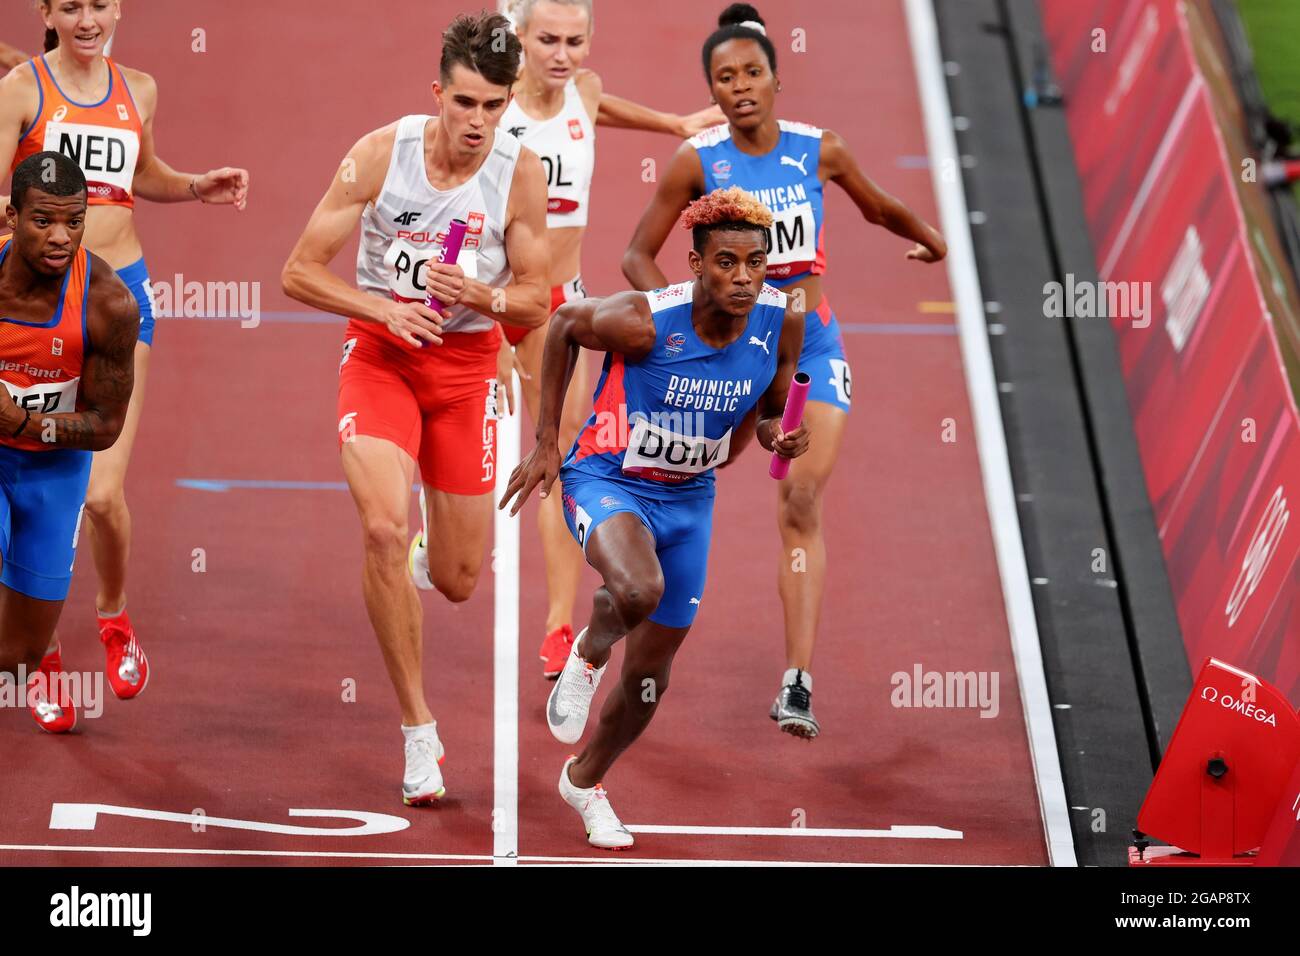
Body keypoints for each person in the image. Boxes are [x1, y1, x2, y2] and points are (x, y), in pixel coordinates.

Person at [622, 3, 947, 738]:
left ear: (777, 79)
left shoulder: (817, 150)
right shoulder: (697, 160)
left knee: (799, 501)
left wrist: (932, 240)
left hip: (810, 356)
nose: (739, 88)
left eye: (752, 74)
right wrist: (677, 320)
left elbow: (877, 206)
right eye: (723, 78)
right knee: (668, 480)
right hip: (728, 355)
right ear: (712, 88)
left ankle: (797, 683)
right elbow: (637, 253)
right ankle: (612, 630)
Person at [282, 11, 550, 806]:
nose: (477, 123)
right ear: (437, 92)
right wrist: (378, 310)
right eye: (464, 103)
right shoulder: (379, 156)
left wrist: (486, 295)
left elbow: (536, 302)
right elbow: (298, 272)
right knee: (381, 528)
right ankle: (418, 732)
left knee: (460, 579)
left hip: (465, 369)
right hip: (382, 360)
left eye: (494, 106)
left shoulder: (518, 172)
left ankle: (432, 553)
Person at [501, 187, 808, 849]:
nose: (743, 277)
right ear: (696, 265)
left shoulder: (781, 320)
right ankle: (586, 654)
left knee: (649, 679)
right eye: (726, 263)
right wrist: (548, 441)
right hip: (607, 477)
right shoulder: (643, 322)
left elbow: (771, 409)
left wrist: (778, 436)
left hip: (690, 498)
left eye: (755, 263)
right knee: (639, 589)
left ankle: (583, 782)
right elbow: (560, 326)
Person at [432, 0, 722, 681]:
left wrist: (675, 124)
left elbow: (599, 105)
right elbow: (458, 209)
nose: (562, 55)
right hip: (486, 300)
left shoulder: (583, 93)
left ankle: (558, 624)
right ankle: (436, 537)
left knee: (561, 455)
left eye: (574, 41)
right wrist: (476, 319)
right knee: (463, 451)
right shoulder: (494, 112)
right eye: (548, 41)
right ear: (520, 39)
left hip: (560, 305)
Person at [0, 0, 249, 732]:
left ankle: (113, 616)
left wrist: (192, 185)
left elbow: (141, 176)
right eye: (70, 5)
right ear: (46, 11)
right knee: (37, 484)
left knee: (101, 493)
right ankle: (39, 655)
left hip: (118, 297)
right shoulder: (21, 91)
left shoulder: (138, 88)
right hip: (38, 300)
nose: (87, 18)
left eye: (99, 4)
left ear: (119, 9)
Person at [0, 151, 139, 730]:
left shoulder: (109, 303)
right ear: (11, 216)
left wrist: (25, 424)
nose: (61, 237)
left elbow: (105, 426)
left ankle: (60, 647)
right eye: (43, 221)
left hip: (54, 472)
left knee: (16, 662)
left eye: (74, 221)